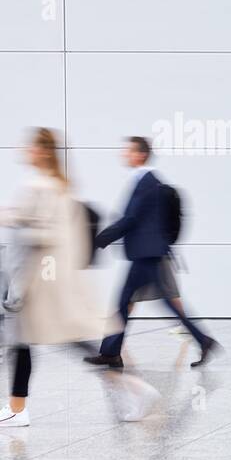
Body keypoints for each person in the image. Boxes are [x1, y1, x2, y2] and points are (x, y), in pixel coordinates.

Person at [83, 136, 219, 370]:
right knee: (134, 302)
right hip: (147, 254)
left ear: (141, 154)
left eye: (129, 151)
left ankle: (112, 352)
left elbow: (131, 219)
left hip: (147, 255)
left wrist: (100, 239)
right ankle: (111, 352)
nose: (124, 155)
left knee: (135, 302)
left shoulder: (146, 182)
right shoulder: (146, 181)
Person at [0, 129, 101, 427]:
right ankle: (17, 407)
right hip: (32, 277)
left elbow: (46, 234)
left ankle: (122, 379)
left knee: (38, 340)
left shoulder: (44, 185)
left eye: (31, 146)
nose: (26, 150)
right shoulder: (51, 185)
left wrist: (18, 219)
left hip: (31, 278)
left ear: (43, 151)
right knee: (28, 341)